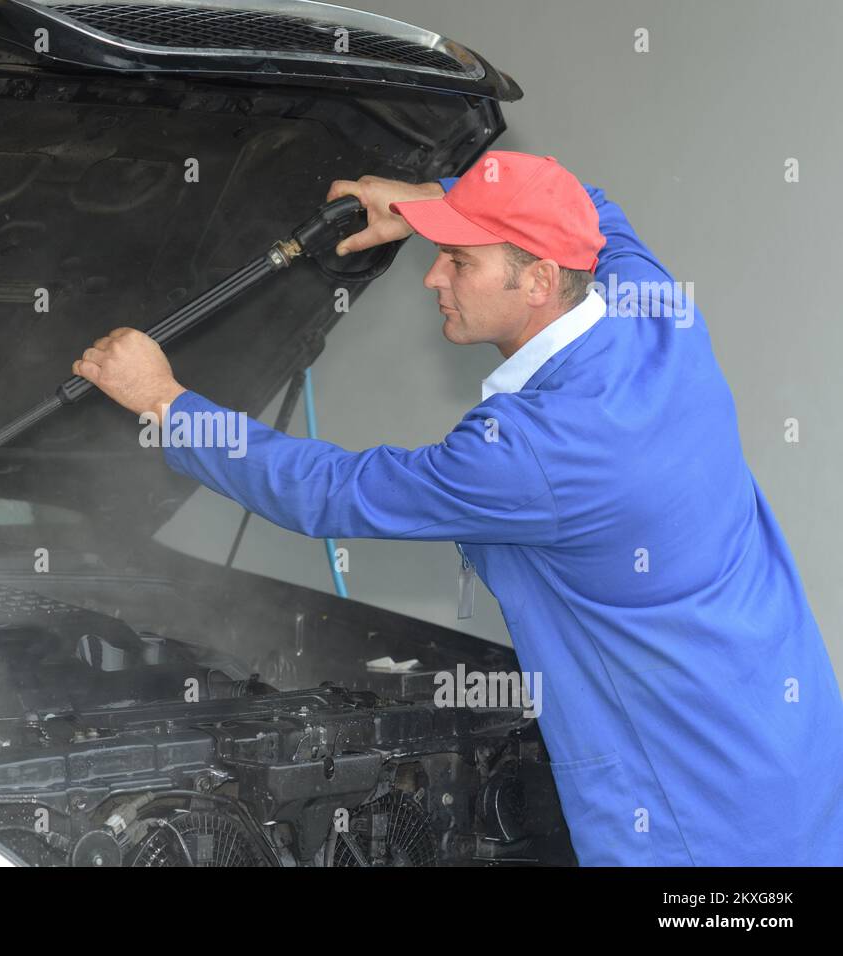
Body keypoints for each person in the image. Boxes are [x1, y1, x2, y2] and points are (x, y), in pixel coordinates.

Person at [71, 150, 843, 866]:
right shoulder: (653, 314)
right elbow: (588, 206)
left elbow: (332, 491)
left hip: (692, 809)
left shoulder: (536, 452)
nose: (432, 277)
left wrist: (167, 403)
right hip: (787, 743)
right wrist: (432, 201)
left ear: (539, 281)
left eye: (460, 260)